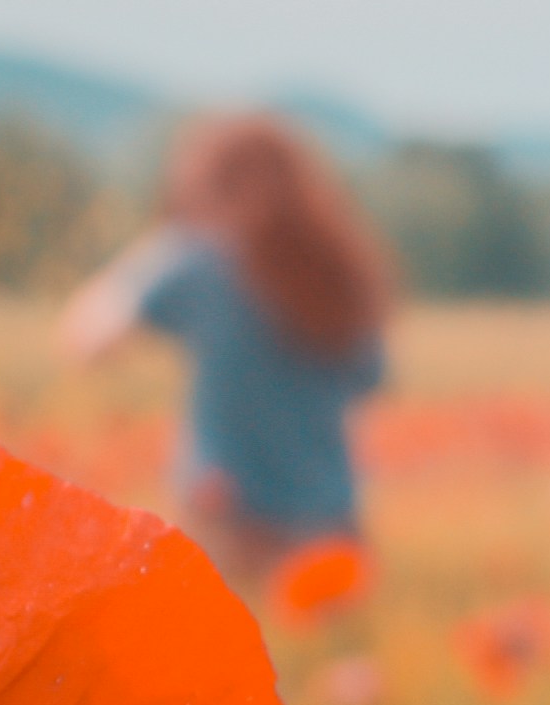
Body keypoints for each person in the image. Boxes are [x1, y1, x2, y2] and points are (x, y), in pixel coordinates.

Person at [59, 112, 394, 584]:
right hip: (333, 539)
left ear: (203, 185)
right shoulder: (337, 274)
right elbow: (371, 380)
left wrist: (159, 246)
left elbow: (87, 338)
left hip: (231, 528)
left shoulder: (198, 263)